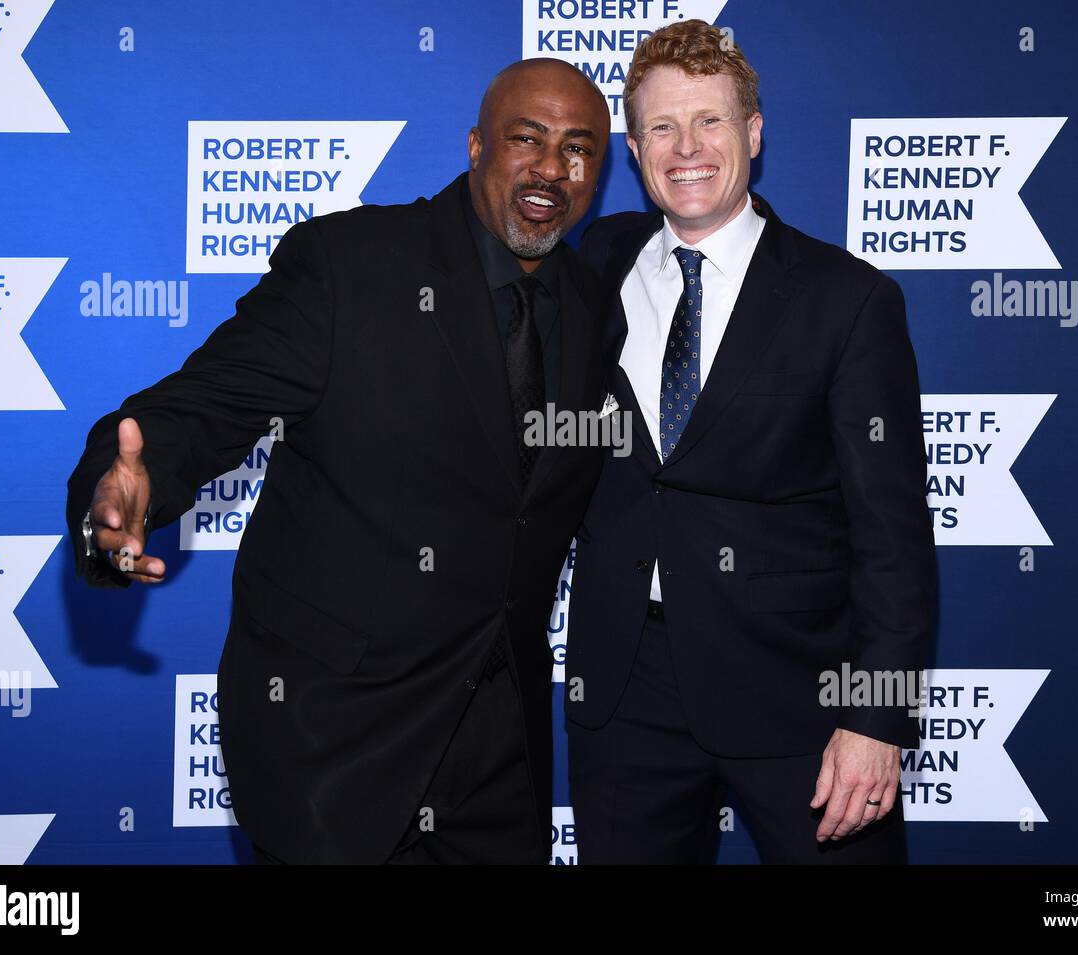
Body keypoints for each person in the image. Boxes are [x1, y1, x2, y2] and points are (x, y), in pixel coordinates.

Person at [66, 58, 611, 864]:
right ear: (474, 145)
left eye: (579, 149)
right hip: (336, 742)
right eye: (525, 139)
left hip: (501, 748)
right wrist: (121, 484)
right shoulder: (351, 264)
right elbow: (208, 403)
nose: (550, 169)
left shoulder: (601, 301)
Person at [565, 20, 937, 864]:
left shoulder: (848, 299)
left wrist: (876, 719)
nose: (686, 147)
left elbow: (894, 537)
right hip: (626, 689)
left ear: (754, 133)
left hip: (802, 694)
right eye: (662, 126)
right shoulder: (598, 262)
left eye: (711, 121)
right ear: (632, 146)